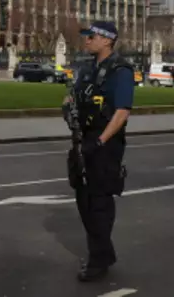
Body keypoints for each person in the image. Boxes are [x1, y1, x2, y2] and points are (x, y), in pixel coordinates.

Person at [64, 20, 134, 282]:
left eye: (91, 36)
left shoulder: (120, 70)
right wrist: (67, 107)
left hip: (106, 143)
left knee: (100, 202)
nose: (87, 40)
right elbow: (71, 96)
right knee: (83, 200)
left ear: (107, 40)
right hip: (82, 139)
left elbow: (122, 112)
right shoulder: (85, 69)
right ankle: (103, 253)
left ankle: (98, 259)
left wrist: (101, 142)